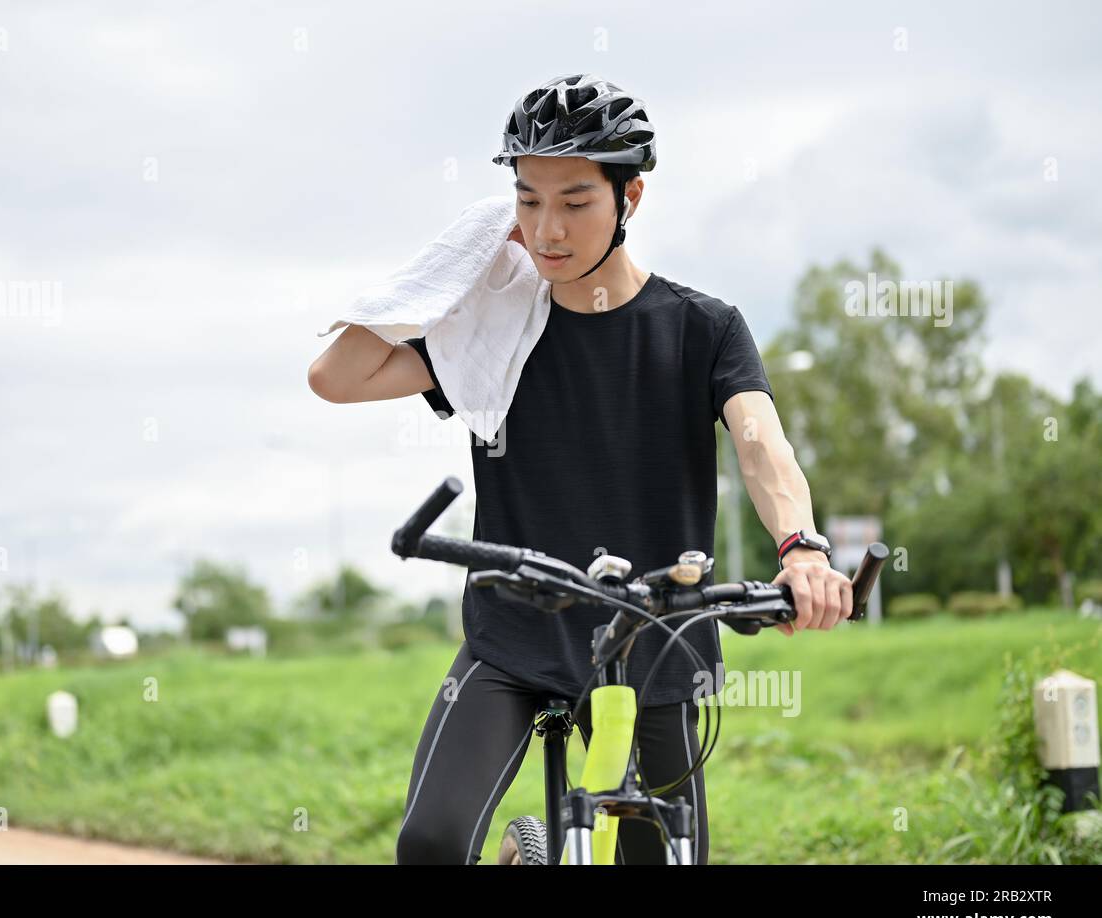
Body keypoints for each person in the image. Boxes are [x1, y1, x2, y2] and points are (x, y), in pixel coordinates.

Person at [307, 73, 853, 864]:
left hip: (657, 640)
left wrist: (802, 548)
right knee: (429, 844)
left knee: (660, 858)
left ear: (630, 199)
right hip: (515, 630)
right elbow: (336, 377)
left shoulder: (702, 328)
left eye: (573, 201)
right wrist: (450, 267)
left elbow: (762, 444)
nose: (546, 229)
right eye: (526, 201)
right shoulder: (490, 329)